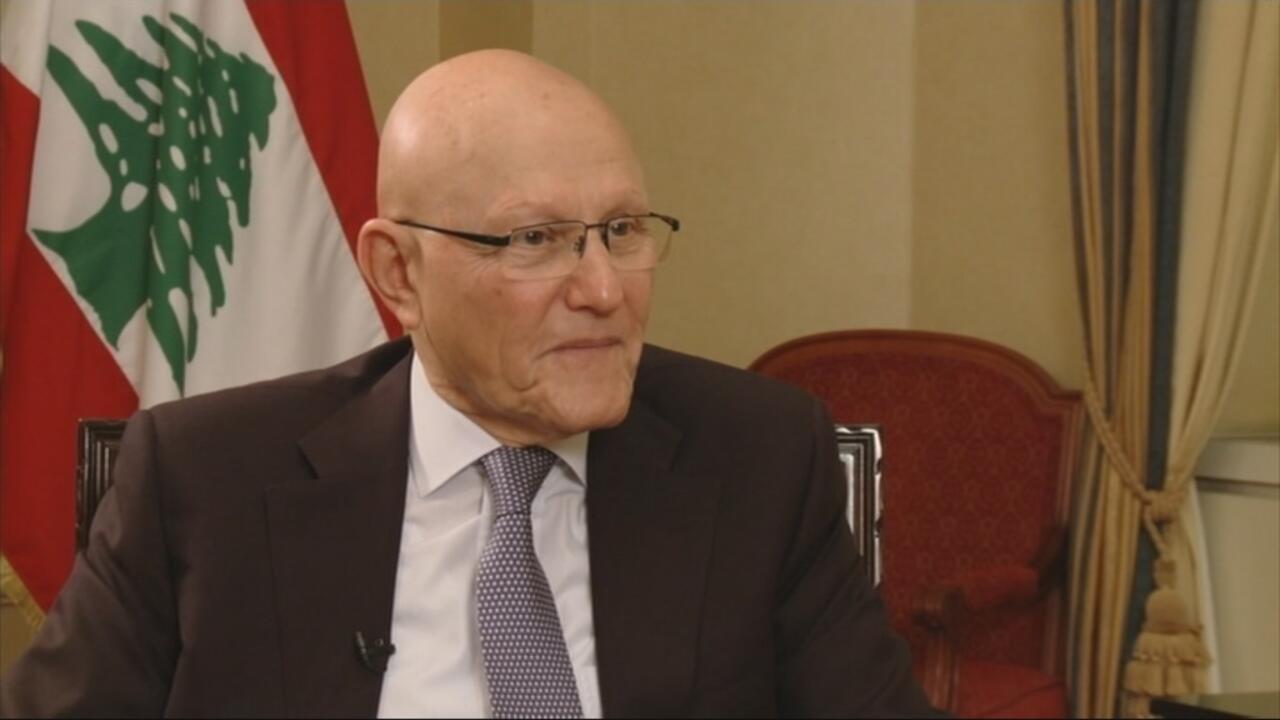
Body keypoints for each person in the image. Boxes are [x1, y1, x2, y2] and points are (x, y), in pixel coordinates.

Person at [1, 50, 938, 717]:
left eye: (621, 230)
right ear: (398, 273)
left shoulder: (760, 458)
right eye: (535, 239)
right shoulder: (204, 479)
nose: (604, 289)